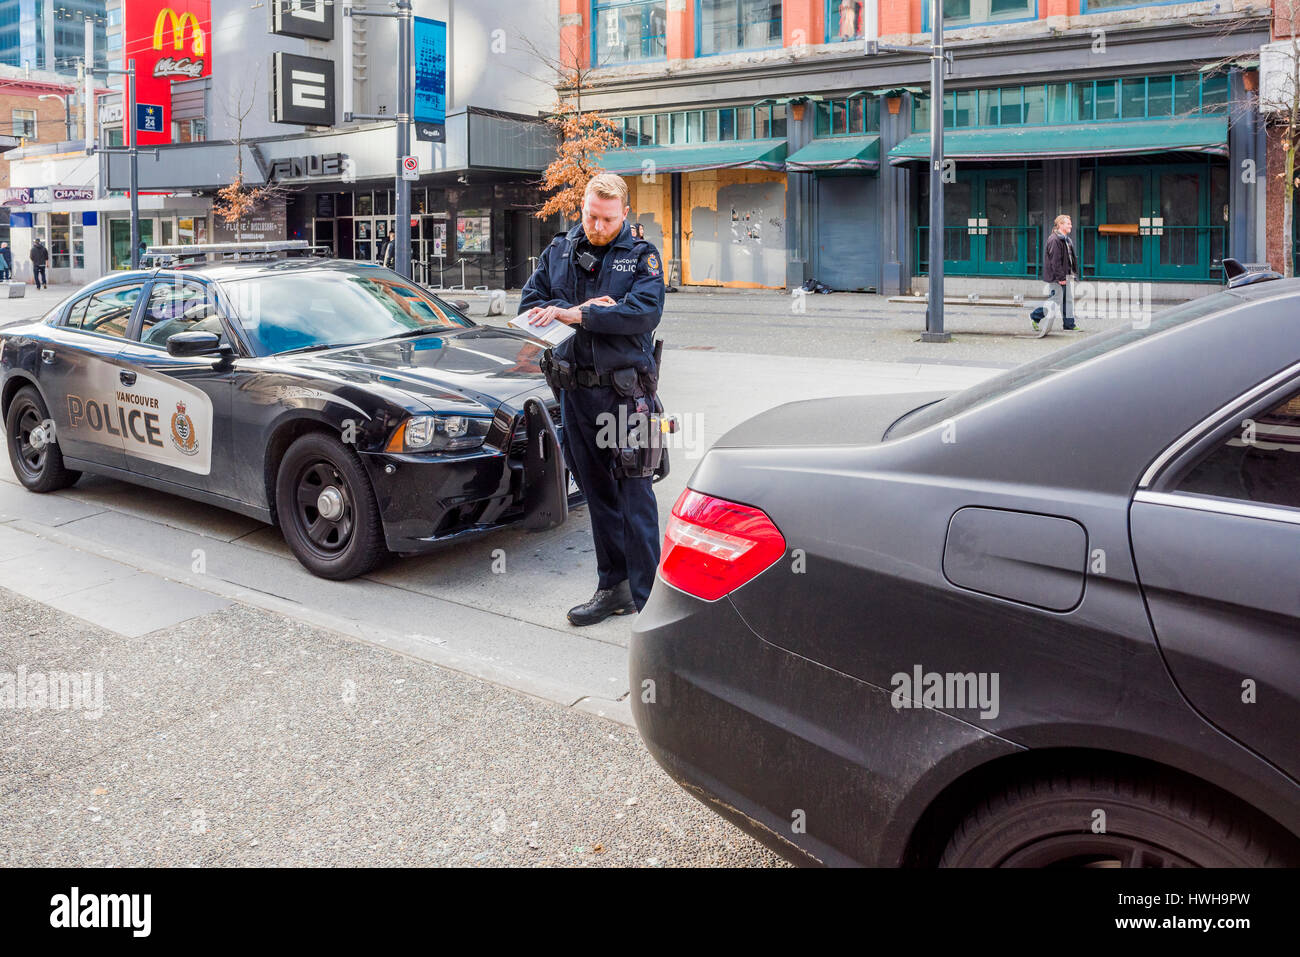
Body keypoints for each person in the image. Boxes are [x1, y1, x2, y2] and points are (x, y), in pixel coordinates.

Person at [519, 173, 667, 625]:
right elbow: (530, 302)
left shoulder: (641, 256)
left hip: (626, 395)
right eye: (590, 216)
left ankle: (652, 604)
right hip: (575, 392)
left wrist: (585, 313)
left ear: (624, 212)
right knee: (598, 496)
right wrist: (547, 313)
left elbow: (644, 313)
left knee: (635, 496)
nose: (598, 226)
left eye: (606, 218)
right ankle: (614, 589)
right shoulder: (559, 251)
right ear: (581, 207)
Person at [1036, 214, 1078, 333]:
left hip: (1067, 275)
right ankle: (1035, 316)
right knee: (1055, 301)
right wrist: (1060, 277)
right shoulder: (1055, 240)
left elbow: (1070, 259)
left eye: (1070, 223)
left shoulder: (1066, 239)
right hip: (1057, 277)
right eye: (1068, 223)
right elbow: (1055, 262)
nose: (1071, 225)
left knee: (1068, 300)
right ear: (1060, 225)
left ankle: (1069, 324)